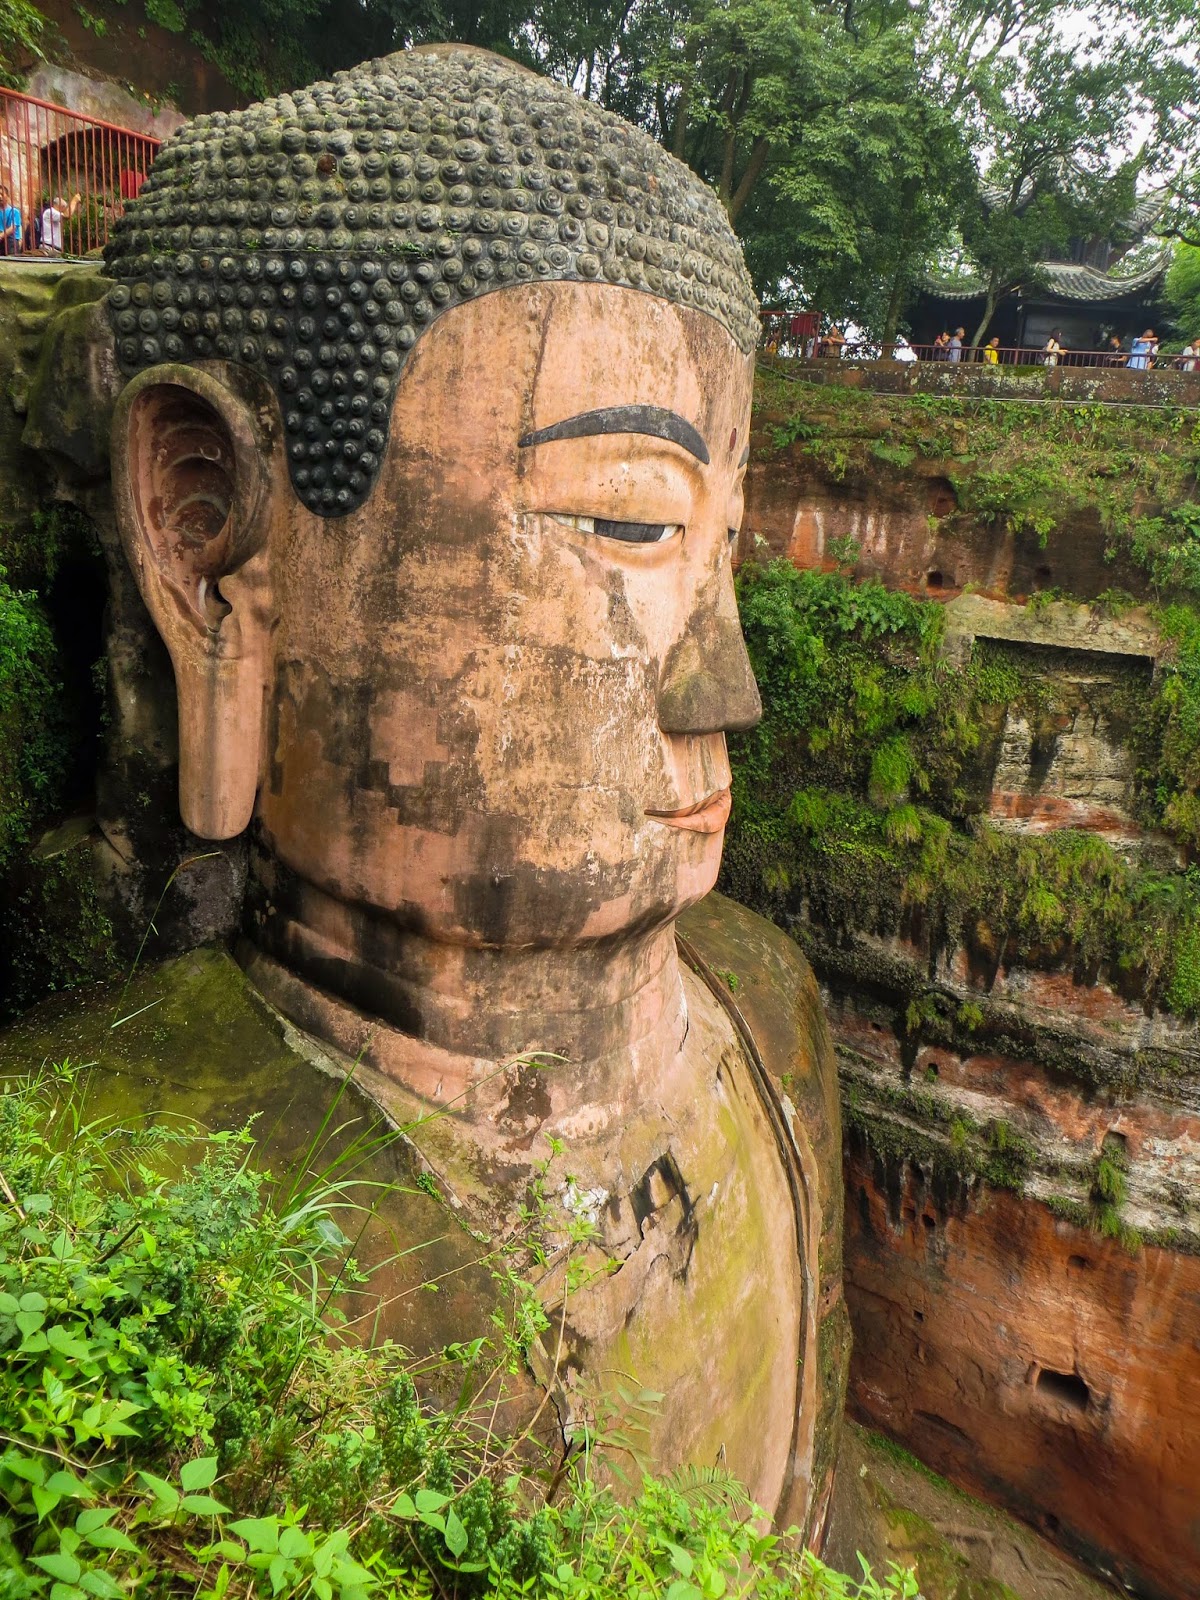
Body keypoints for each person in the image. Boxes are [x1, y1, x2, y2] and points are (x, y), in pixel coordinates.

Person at [104, 43, 848, 1540]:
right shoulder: (115, 1225)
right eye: (631, 522)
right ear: (211, 548)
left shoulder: (769, 1017)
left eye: (726, 551)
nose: (727, 687)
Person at [40, 192, 81, 256]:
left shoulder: (55, 215)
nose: (65, 209)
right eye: (64, 207)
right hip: (49, 247)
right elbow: (67, 215)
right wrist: (74, 201)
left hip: (52, 247)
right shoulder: (50, 212)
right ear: (60, 206)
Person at [0, 185, 22, 255]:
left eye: (2, 194)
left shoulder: (14, 211)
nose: (0, 197)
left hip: (11, 242)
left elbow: (13, 227)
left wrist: (1, 236)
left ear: (7, 196)